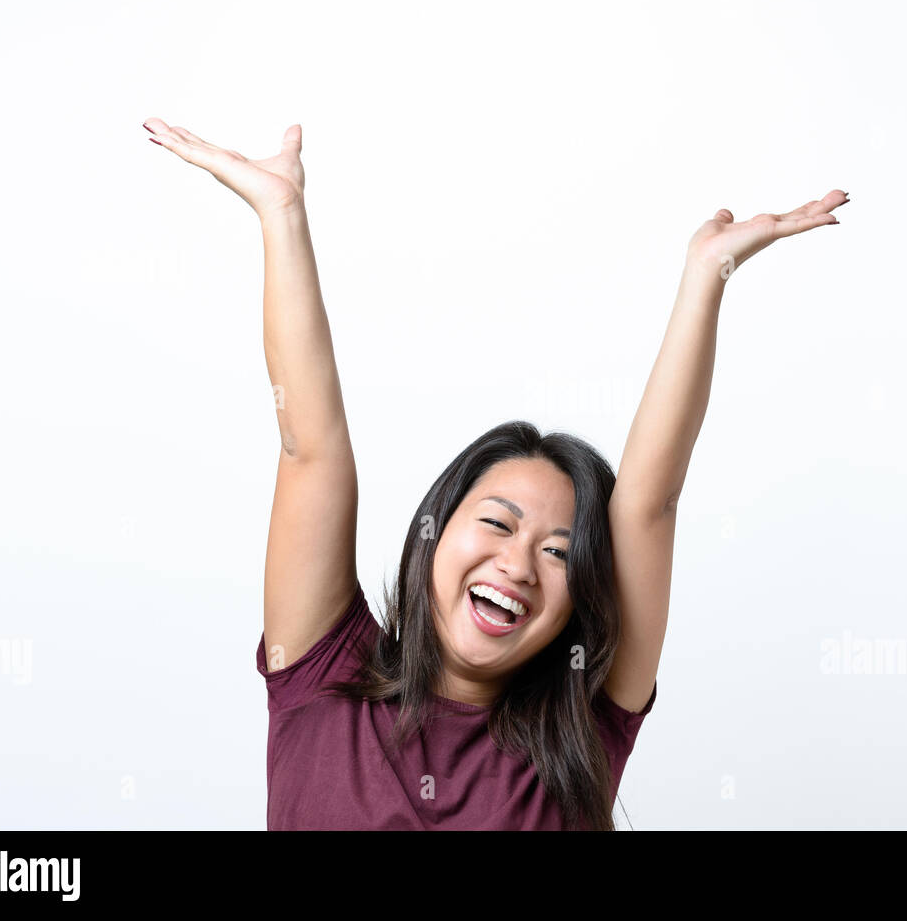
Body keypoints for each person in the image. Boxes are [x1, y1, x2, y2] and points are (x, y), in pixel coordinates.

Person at [142, 118, 848, 829]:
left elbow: (649, 506)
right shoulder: (323, 676)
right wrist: (283, 216)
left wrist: (706, 278)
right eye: (497, 522)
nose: (518, 563)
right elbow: (310, 447)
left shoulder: (581, 739)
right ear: (433, 533)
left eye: (558, 550)